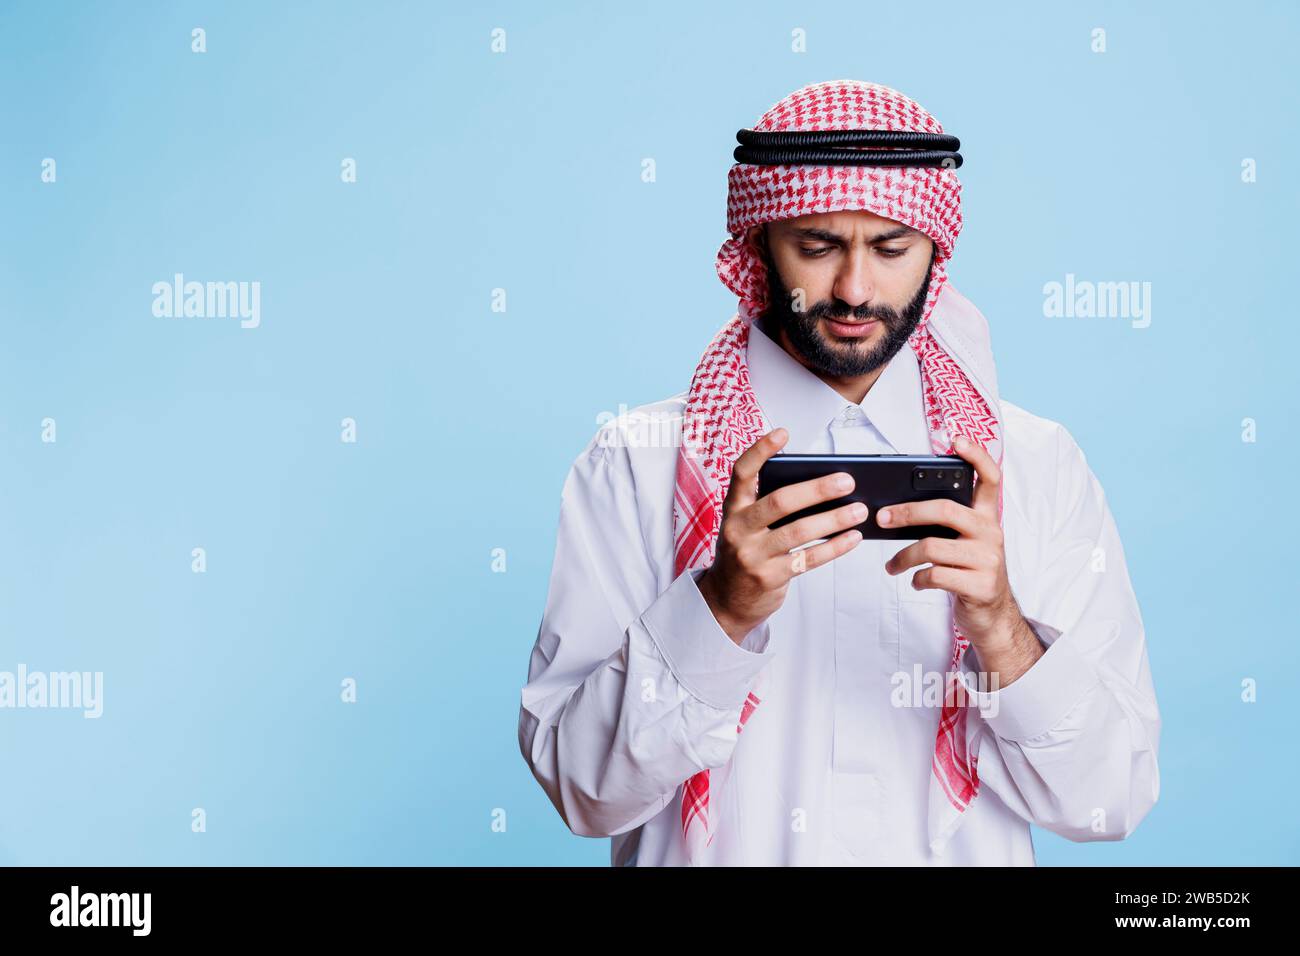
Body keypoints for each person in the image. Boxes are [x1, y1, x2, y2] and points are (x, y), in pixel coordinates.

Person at [517, 80, 1161, 866]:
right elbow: (582, 791)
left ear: (935, 250)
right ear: (758, 245)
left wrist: (1000, 627)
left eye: (891, 248)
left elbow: (1110, 800)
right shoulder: (638, 464)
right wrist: (719, 609)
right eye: (818, 247)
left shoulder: (1034, 464)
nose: (856, 289)